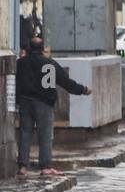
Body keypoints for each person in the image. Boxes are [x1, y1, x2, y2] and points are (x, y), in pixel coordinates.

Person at [16, 33, 92, 178]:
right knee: (45, 135)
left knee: (25, 133)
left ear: (30, 48)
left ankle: (23, 167)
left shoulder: (21, 63)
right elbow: (66, 83)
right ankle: (45, 167)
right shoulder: (50, 64)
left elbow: (16, 83)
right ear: (43, 48)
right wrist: (83, 90)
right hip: (44, 103)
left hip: (25, 102)